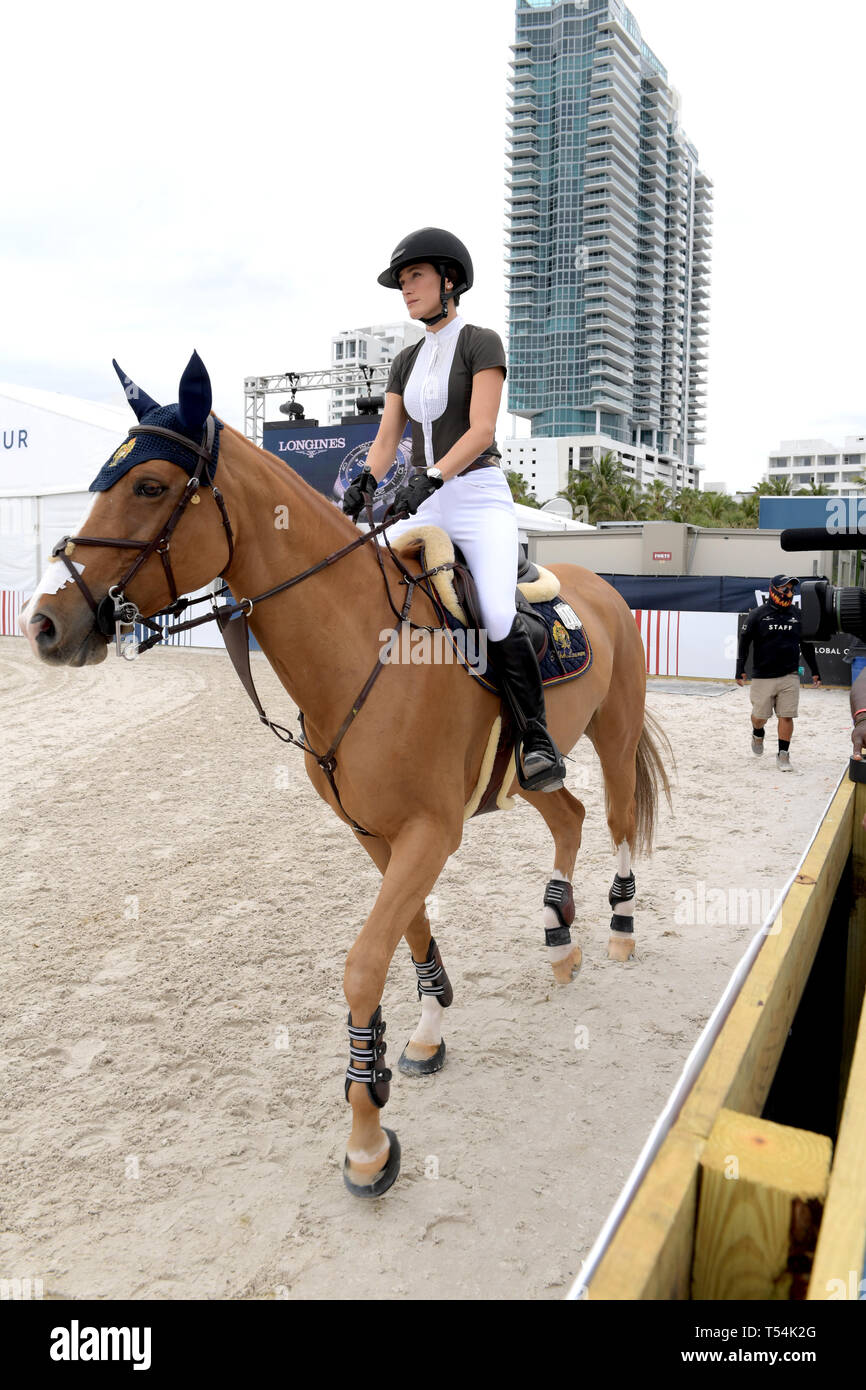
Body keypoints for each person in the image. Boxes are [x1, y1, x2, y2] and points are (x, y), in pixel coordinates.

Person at [341, 226, 566, 792]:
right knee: (372, 586)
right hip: (427, 499)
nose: (405, 288)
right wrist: (366, 480)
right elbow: (389, 439)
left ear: (449, 280)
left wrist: (435, 475)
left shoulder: (480, 342)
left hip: (478, 496)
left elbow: (483, 428)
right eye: (401, 281)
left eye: (414, 277)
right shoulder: (404, 361)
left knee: (492, 611)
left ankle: (537, 739)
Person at [735, 574, 821, 771]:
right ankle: (758, 733)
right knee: (759, 716)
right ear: (773, 589)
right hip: (762, 676)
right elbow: (744, 643)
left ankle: (783, 755)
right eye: (784, 589)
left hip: (789, 675)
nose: (789, 593)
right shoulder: (757, 614)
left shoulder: (798, 615)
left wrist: (815, 671)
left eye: (792, 589)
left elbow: (807, 646)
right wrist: (740, 669)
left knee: (787, 716)